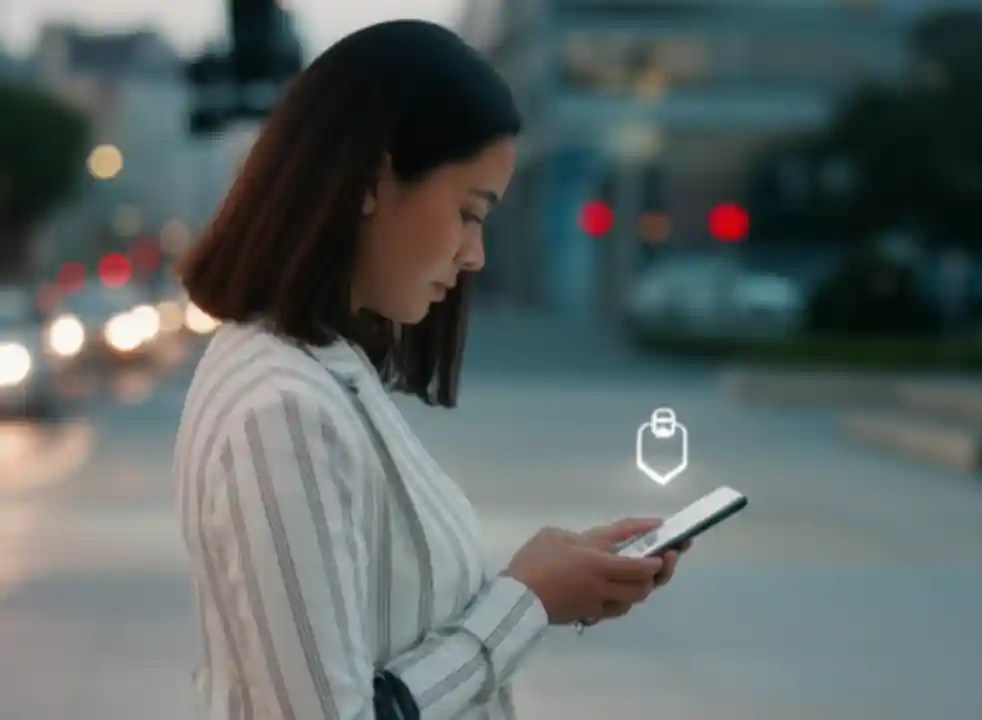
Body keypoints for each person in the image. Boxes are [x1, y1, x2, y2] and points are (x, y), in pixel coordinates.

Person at [172, 20, 689, 720]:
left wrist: (549, 583)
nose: (475, 255)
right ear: (370, 183)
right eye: (468, 213)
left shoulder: (320, 370)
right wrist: (525, 603)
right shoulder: (284, 409)